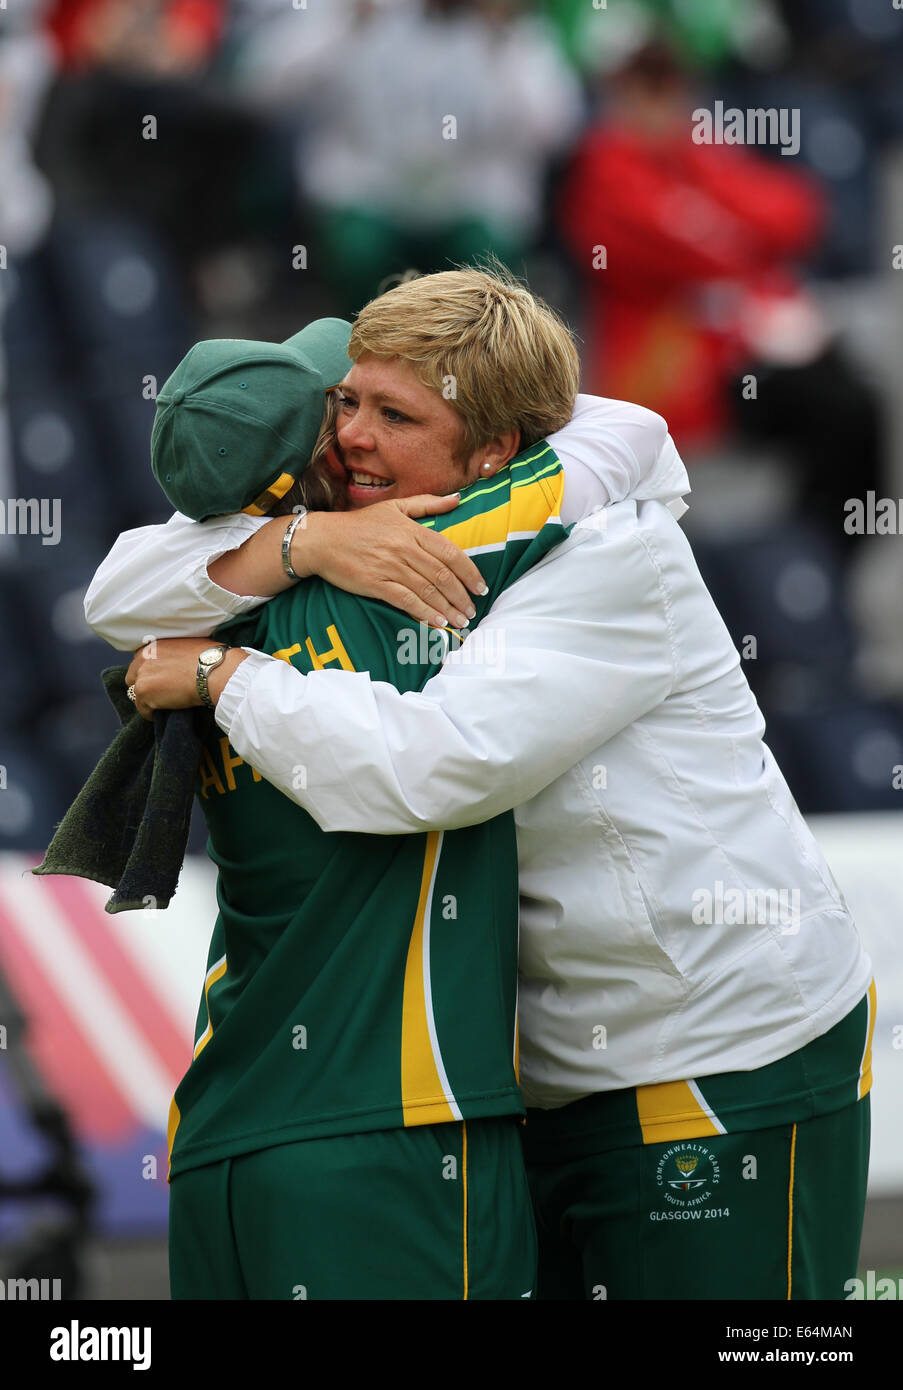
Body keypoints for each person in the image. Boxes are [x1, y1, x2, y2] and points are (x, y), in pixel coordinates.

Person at [88, 268, 872, 1301]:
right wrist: (303, 539)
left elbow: (427, 768)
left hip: (719, 1044)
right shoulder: (368, 534)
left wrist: (224, 672)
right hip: (537, 1070)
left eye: (394, 415)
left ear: (499, 447)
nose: (349, 439)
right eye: (347, 403)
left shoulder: (610, 555)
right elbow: (121, 587)